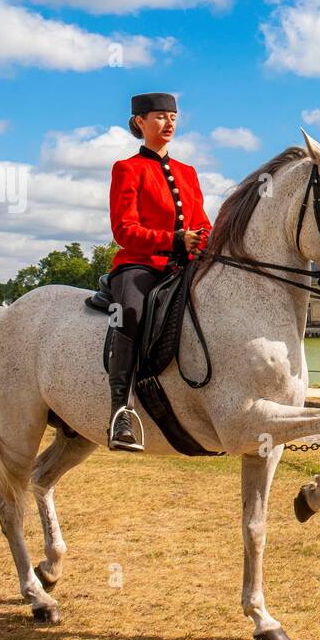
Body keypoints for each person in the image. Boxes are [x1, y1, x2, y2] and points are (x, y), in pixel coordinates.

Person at [105, 92, 211, 451]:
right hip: (140, 266)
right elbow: (124, 230)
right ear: (140, 123)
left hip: (184, 268)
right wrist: (175, 240)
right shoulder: (127, 169)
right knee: (130, 313)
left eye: (173, 118)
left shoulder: (188, 172)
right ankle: (120, 411)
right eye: (161, 117)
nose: (169, 124)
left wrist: (204, 240)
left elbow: (203, 224)